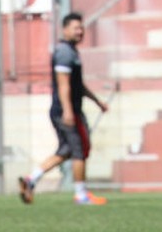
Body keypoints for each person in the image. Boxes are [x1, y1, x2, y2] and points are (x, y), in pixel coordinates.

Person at [18, 12, 109, 205]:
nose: (80, 31)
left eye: (81, 28)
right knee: (79, 150)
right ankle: (81, 194)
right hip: (66, 111)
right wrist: (68, 110)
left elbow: (77, 85)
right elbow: (63, 84)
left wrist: (97, 101)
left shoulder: (72, 51)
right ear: (65, 29)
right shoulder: (64, 53)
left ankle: (31, 179)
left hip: (68, 109)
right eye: (76, 28)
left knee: (66, 150)